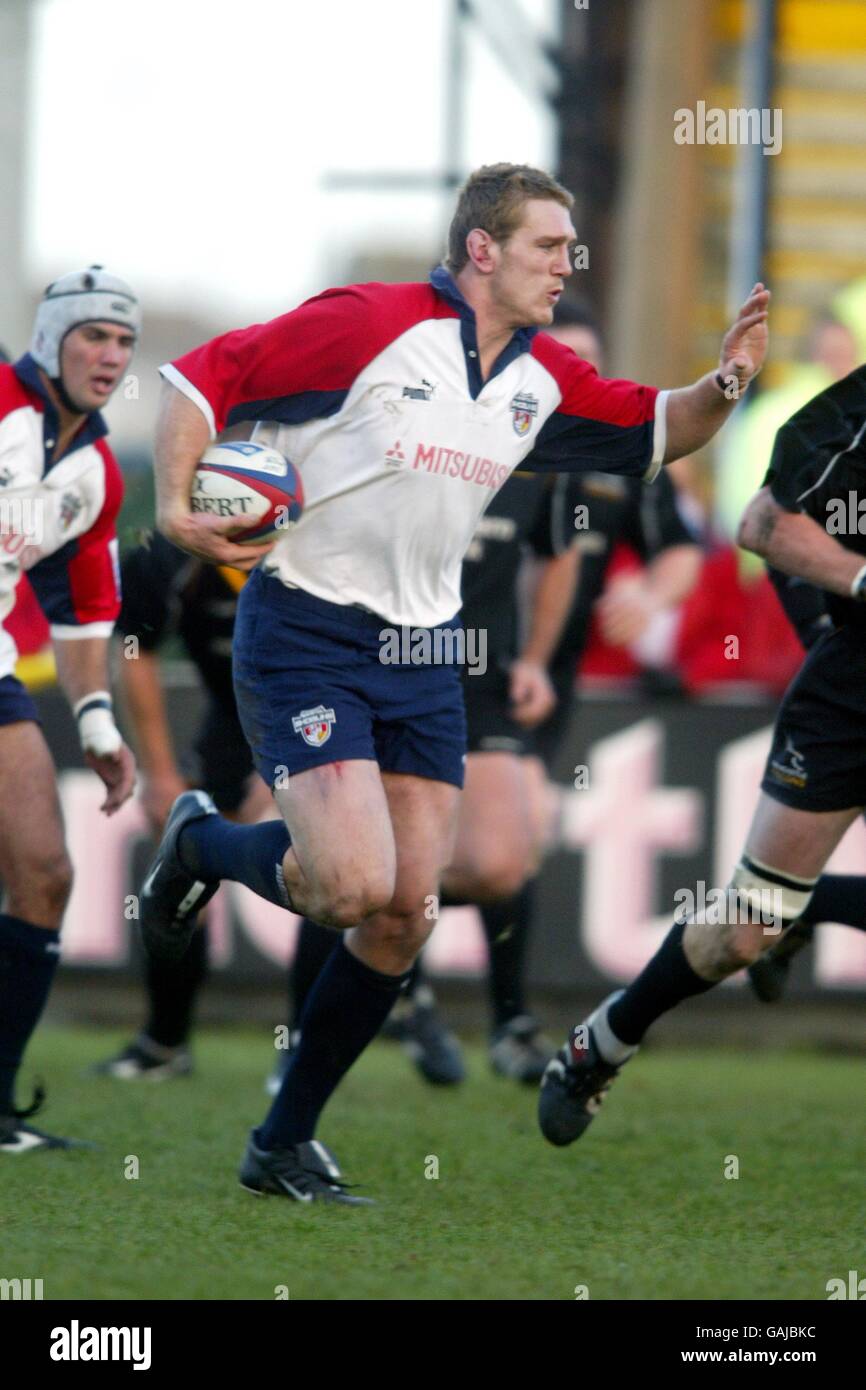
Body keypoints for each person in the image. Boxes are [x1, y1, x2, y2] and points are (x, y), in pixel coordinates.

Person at [142, 162, 769, 1203]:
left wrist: (726, 382)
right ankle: (199, 839)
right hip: (306, 623)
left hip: (426, 650)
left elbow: (661, 429)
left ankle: (280, 1142)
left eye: (570, 248)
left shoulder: (542, 378)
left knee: (401, 913)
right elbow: (199, 378)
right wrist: (172, 502)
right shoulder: (367, 321)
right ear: (481, 248)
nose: (566, 264)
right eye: (546, 246)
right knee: (346, 886)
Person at [538, 364, 866, 1148]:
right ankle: (604, 1040)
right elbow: (761, 528)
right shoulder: (846, 421)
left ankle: (811, 909)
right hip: (852, 695)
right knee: (742, 931)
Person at [0, 267, 138, 1152]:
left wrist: (95, 722)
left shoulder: (96, 471)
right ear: (52, 339)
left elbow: (86, 613)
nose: (112, 357)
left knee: (45, 873)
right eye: (94, 336)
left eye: (124, 342)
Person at [92, 532, 274, 1078]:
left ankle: (315, 1048)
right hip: (234, 714)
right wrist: (159, 772)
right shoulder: (168, 550)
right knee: (178, 861)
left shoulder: (316, 528)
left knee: (343, 863)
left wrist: (293, 763)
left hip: (326, 710)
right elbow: (134, 647)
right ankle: (164, 1044)